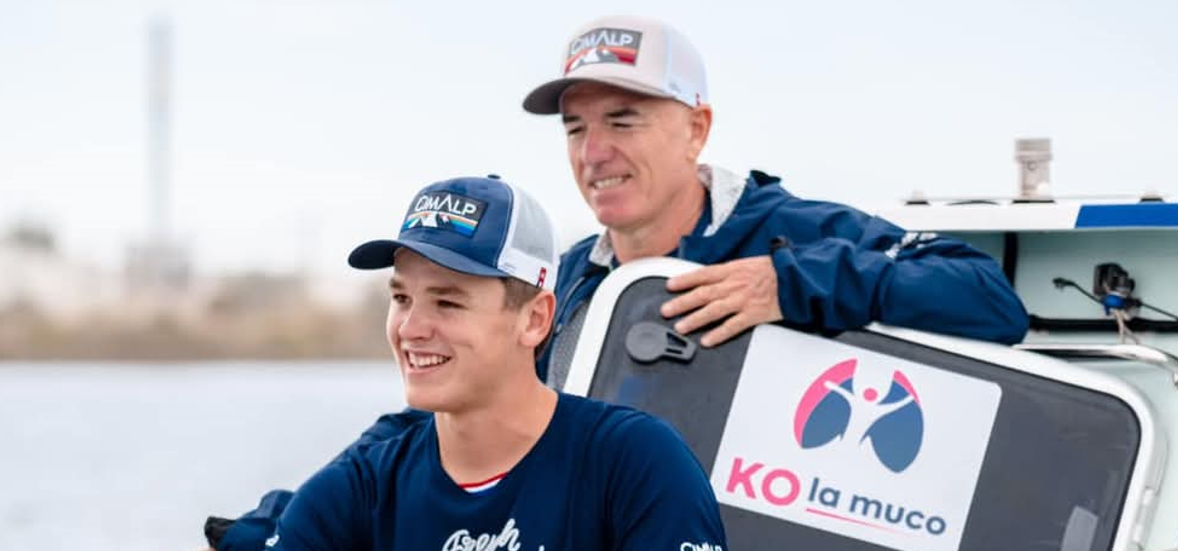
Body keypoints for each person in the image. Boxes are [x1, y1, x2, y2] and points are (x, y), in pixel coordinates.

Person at [202, 15, 1028, 550]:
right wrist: (278, 519)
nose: (593, 152)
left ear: (697, 126)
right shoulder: (567, 283)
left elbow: (990, 299)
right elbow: (459, 418)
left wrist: (790, 284)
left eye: (623, 120)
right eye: (576, 127)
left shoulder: (793, 234)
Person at [260, 175, 726, 551]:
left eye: (448, 303)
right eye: (402, 298)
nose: (411, 328)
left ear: (535, 319)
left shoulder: (637, 463)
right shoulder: (362, 486)